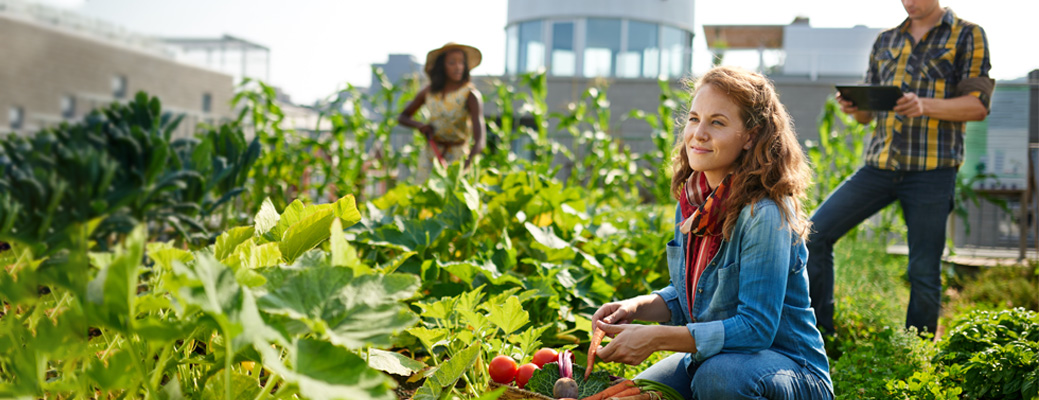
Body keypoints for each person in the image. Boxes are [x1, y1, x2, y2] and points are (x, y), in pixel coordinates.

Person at [590, 66, 833, 399]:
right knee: (630, 393)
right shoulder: (694, 202)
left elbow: (756, 328)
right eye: (693, 119)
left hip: (788, 368)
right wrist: (636, 308)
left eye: (717, 122)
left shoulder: (764, 213)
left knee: (717, 379)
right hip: (715, 357)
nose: (698, 134)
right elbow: (693, 294)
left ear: (751, 136)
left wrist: (657, 338)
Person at [807, 0, 993, 338]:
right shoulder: (886, 40)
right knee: (813, 234)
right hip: (880, 166)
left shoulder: (967, 35)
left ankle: (917, 350)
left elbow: (977, 106)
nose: (909, 2)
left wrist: (924, 105)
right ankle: (821, 336)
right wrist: (853, 106)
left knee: (923, 270)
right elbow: (867, 116)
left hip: (932, 172)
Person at [398, 43, 486, 182]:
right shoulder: (429, 92)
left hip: (458, 157)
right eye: (452, 63)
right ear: (442, 67)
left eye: (462, 62)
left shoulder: (470, 95)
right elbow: (403, 117)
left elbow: (480, 141)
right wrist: (421, 126)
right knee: (424, 197)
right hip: (431, 154)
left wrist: (465, 166)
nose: (458, 67)